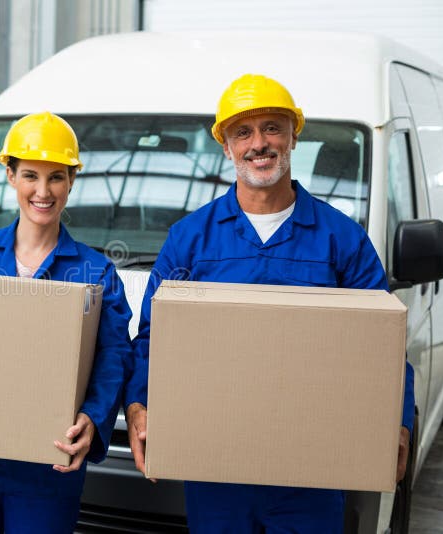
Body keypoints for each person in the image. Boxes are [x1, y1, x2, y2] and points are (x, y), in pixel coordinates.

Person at [123, 74, 414, 533]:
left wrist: (398, 421)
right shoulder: (190, 239)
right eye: (243, 132)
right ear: (226, 147)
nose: (258, 143)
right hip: (215, 466)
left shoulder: (342, 239)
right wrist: (138, 406)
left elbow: (384, 344)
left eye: (272, 128)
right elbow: (152, 337)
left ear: (294, 136)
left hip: (313, 470)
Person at [0, 111, 133, 534]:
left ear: (71, 181)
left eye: (56, 177)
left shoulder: (95, 273)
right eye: (31, 176)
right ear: (11, 176)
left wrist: (92, 417)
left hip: (46, 464)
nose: (43, 191)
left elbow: (114, 356)